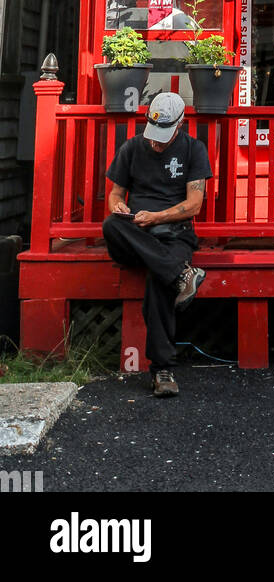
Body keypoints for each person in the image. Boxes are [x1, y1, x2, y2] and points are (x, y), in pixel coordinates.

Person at [102, 93, 213, 397]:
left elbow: (193, 205)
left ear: (180, 125)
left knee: (158, 278)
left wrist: (157, 217)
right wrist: (120, 207)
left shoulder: (193, 149)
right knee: (112, 225)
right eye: (153, 135)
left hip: (174, 232)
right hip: (136, 234)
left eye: (163, 138)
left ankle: (162, 370)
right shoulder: (132, 148)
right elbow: (115, 195)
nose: (156, 143)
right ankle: (182, 275)